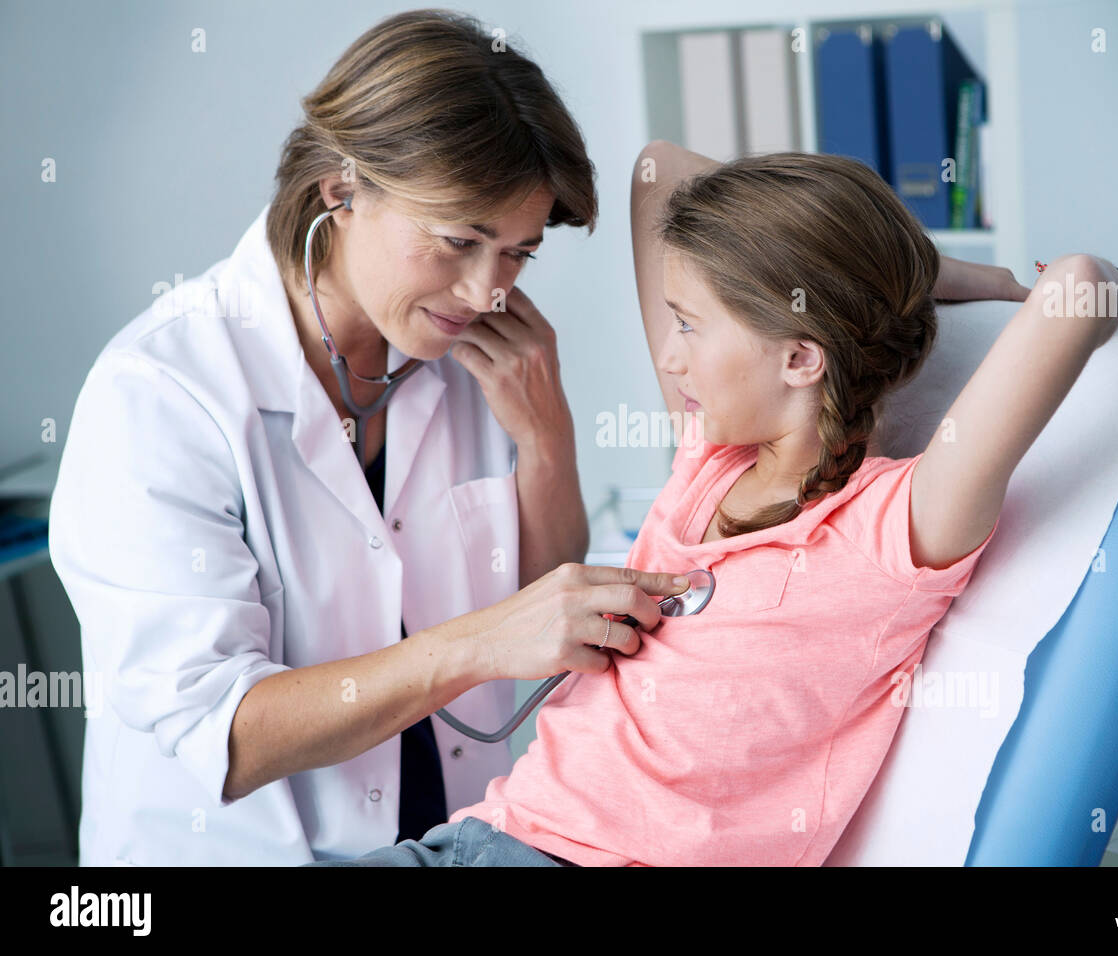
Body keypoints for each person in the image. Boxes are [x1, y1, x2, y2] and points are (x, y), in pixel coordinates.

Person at [306, 139, 1118, 867]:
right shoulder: (707, 459)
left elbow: (1074, 288)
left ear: (799, 359)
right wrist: (921, 272)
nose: (671, 360)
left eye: (690, 324)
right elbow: (659, 170)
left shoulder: (887, 534)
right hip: (478, 837)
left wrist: (909, 283)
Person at [46, 10, 688, 866]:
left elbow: (539, 596)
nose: (486, 289)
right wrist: (480, 641)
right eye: (459, 240)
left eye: (517, 254)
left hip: (448, 838)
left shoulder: (470, 357)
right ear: (341, 191)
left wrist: (548, 440)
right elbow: (227, 733)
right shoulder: (161, 395)